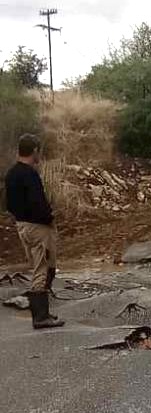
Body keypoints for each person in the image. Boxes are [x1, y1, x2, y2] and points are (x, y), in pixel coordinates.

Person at [4, 134, 64, 329]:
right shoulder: (30, 174)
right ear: (35, 150)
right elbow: (37, 203)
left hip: (22, 225)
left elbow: (9, 204)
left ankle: (43, 312)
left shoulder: (12, 173)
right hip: (38, 227)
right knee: (41, 270)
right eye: (39, 151)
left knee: (45, 266)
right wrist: (49, 217)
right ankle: (40, 317)